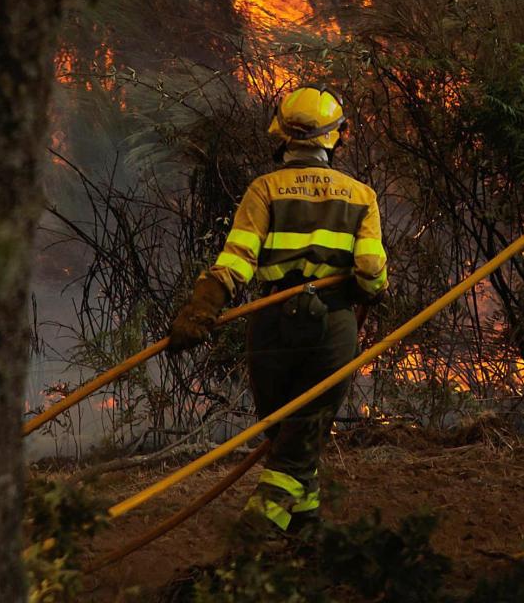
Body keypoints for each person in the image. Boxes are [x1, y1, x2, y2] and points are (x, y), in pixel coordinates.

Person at [166, 86, 388, 537]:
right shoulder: (360, 196)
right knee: (301, 433)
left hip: (271, 322)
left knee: (284, 429)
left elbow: (237, 260)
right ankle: (258, 527)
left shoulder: (263, 189)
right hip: (331, 325)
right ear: (337, 137)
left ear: (282, 134)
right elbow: (370, 271)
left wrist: (203, 306)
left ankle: (303, 526)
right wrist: (373, 290)